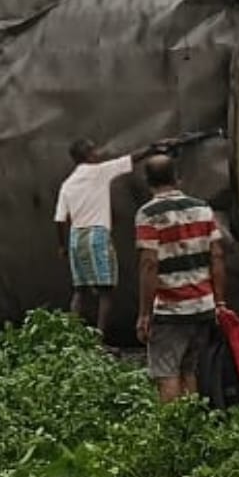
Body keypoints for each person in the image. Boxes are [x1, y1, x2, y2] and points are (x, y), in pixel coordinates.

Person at [54, 135, 191, 335]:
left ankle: (74, 337)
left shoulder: (68, 183)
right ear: (88, 155)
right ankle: (99, 338)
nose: (98, 154)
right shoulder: (98, 172)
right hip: (97, 235)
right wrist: (153, 148)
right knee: (106, 290)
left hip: (76, 238)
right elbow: (128, 160)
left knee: (80, 290)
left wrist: (62, 246)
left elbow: (59, 219)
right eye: (94, 150)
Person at [134, 154, 227, 403]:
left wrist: (145, 314)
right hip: (203, 307)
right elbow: (217, 255)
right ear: (177, 178)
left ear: (148, 182)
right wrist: (219, 302)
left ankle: (173, 435)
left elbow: (149, 263)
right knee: (189, 370)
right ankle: (192, 428)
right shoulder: (202, 209)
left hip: (170, 310)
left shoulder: (149, 214)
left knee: (167, 373)